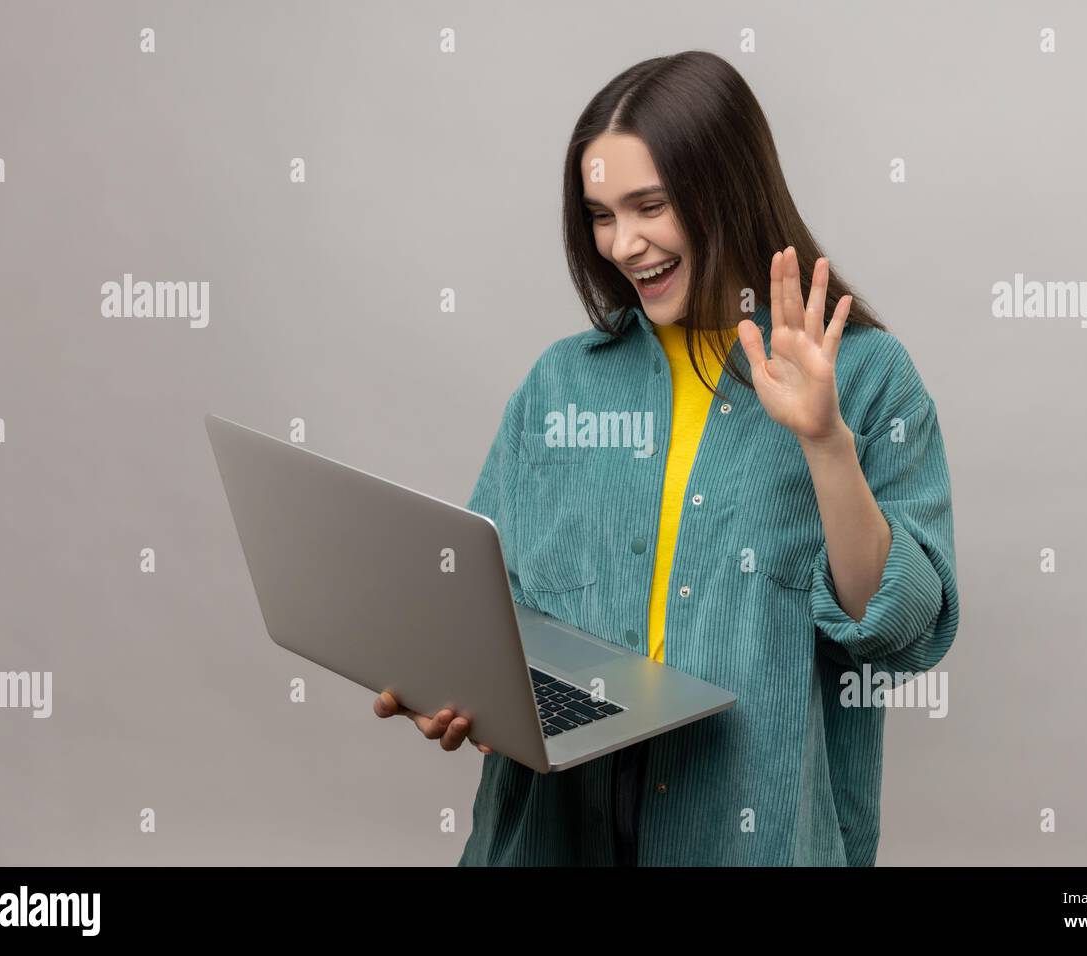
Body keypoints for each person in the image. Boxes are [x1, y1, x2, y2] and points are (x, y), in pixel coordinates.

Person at [374, 50, 960, 866]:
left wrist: (826, 444)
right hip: (551, 833)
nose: (622, 243)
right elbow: (485, 600)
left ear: (726, 185)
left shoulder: (865, 378)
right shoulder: (560, 384)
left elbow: (900, 633)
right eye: (600, 214)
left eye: (650, 205)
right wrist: (461, 689)